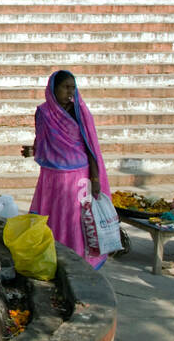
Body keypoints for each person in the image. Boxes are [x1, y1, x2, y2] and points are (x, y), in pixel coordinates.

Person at [21, 70, 111, 268]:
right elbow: (42, 142)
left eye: (73, 87)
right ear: (54, 89)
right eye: (65, 87)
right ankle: (51, 256)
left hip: (78, 176)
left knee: (76, 220)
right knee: (52, 217)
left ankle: (78, 260)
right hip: (52, 177)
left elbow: (91, 146)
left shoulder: (80, 112)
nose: (70, 91)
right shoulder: (43, 113)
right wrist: (32, 150)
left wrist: (95, 178)